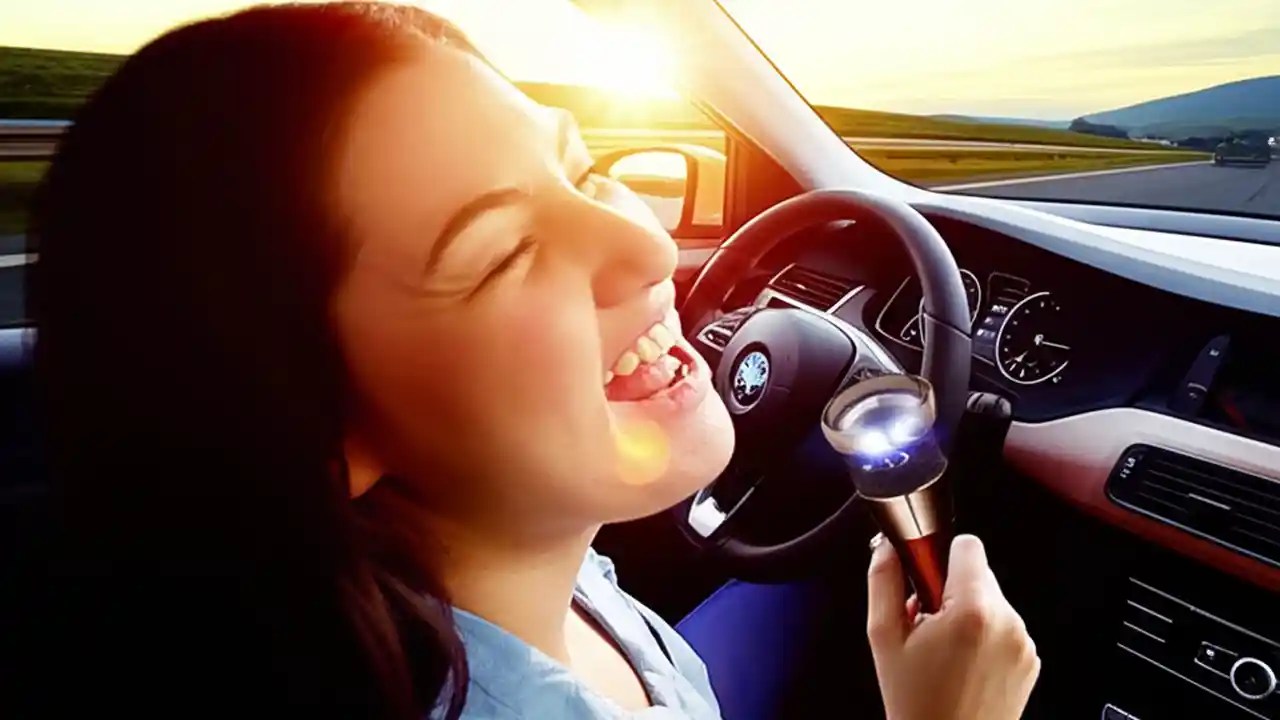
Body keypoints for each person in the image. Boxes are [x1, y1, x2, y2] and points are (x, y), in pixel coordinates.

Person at [18, 3, 1039, 718]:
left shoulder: (519, 575)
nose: (640, 246)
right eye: (501, 252)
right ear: (311, 431)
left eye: (584, 167)